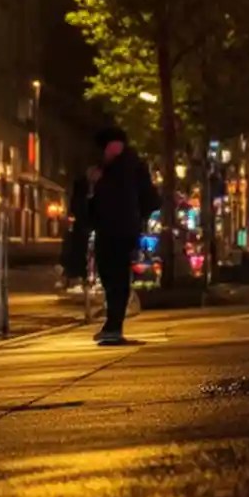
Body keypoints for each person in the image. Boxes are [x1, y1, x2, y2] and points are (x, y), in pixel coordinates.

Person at [88, 128, 159, 345]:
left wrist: (135, 216)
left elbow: (150, 199)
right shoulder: (117, 167)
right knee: (111, 277)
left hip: (117, 229)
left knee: (115, 277)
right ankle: (112, 325)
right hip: (114, 228)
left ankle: (114, 326)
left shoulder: (124, 168)